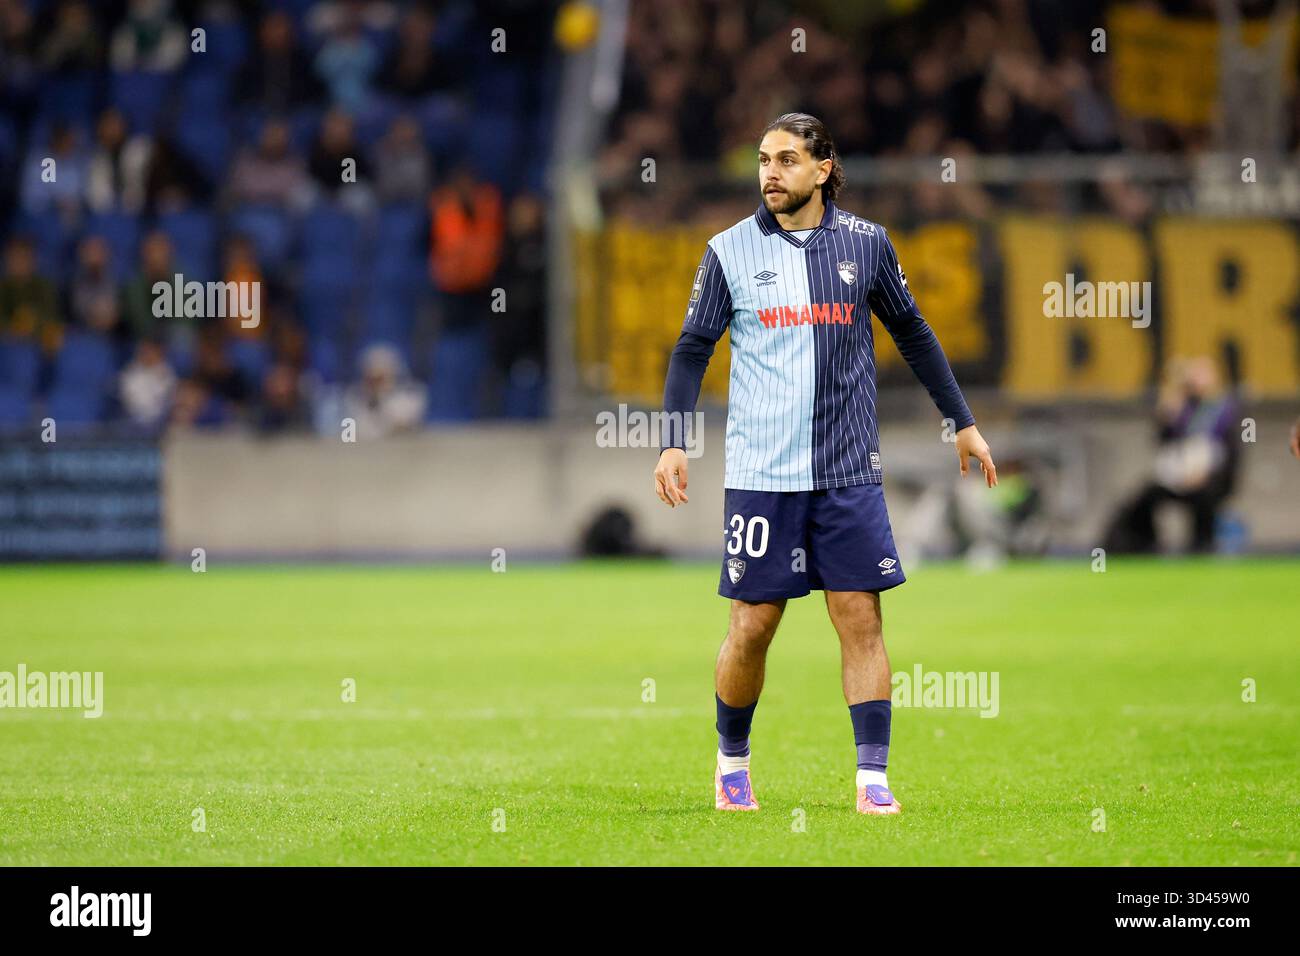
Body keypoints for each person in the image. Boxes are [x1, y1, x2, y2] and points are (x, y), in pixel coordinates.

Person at [652, 113, 997, 816]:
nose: (770, 172)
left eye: (785, 160)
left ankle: (872, 781)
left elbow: (913, 331)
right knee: (753, 625)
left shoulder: (867, 246)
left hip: (846, 472)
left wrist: (961, 421)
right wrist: (672, 440)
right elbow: (692, 348)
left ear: (822, 169)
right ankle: (731, 762)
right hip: (762, 475)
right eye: (762, 160)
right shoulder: (728, 251)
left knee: (859, 617)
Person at [1104, 357, 1240, 554]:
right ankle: (1143, 542)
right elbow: (1164, 442)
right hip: (1180, 475)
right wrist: (1167, 417)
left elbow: (1231, 455)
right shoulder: (1184, 408)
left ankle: (1202, 546)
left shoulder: (1223, 410)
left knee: (1204, 501)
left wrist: (1209, 474)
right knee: (1147, 493)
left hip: (1210, 478)